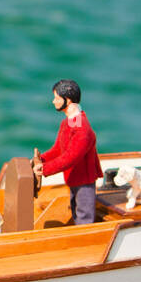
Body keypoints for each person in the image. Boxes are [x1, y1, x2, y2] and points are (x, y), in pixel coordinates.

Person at [32, 79, 104, 225]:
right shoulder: (70, 122)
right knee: (76, 210)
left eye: (57, 98)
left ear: (68, 100)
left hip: (84, 181)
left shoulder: (82, 128)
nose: (53, 102)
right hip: (74, 178)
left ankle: (85, 239)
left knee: (84, 216)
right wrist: (42, 159)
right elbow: (59, 148)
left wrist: (45, 169)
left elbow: (71, 156)